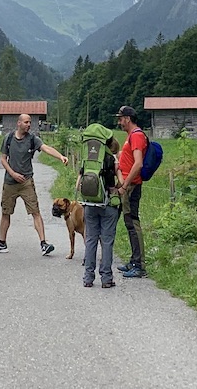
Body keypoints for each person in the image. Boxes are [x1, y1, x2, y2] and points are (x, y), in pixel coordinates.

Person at [0, 112, 70, 255]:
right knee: (6, 212)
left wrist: (60, 156)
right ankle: (2, 243)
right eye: (26, 122)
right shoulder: (9, 138)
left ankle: (44, 243)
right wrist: (13, 173)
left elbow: (46, 148)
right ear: (19, 123)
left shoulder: (32, 139)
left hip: (26, 182)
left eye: (30, 122)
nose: (29, 124)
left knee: (35, 212)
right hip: (10, 182)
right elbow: (3, 159)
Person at [76, 124, 122, 288]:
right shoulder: (112, 160)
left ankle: (88, 278)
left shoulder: (88, 161)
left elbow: (77, 186)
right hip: (108, 204)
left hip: (90, 203)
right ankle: (106, 278)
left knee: (90, 240)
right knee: (107, 241)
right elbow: (121, 182)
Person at [115, 104, 148, 278]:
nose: (119, 122)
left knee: (133, 223)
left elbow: (138, 163)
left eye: (121, 119)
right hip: (129, 184)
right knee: (129, 223)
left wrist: (125, 185)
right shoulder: (131, 136)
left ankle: (139, 265)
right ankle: (134, 261)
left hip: (132, 186)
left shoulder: (136, 136)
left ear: (128, 119)